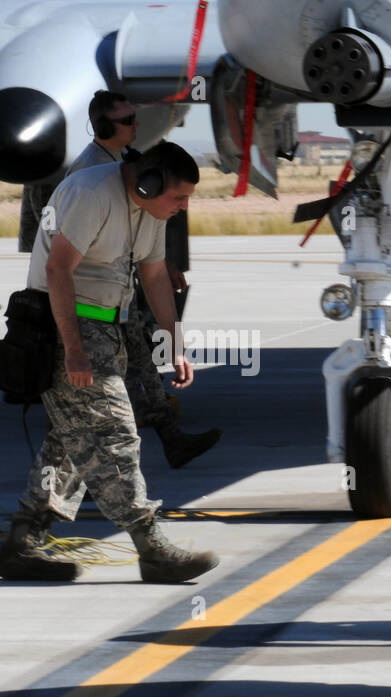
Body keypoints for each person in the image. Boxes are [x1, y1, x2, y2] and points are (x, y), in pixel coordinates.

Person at [0, 142, 219, 584]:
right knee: (116, 433)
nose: (182, 208)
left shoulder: (149, 211)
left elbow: (155, 275)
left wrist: (174, 344)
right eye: (178, 198)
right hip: (66, 327)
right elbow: (59, 271)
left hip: (109, 327)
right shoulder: (92, 193)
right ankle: (150, 544)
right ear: (148, 182)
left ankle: (22, 542)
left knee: (68, 444)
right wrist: (75, 348)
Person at [59, 91, 222, 469]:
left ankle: (170, 439)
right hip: (90, 303)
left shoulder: (133, 165)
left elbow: (138, 227)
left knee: (144, 365)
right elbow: (66, 257)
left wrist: (161, 265)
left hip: (120, 294)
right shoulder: (89, 173)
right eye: (128, 120)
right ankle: (107, 479)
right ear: (103, 126)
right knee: (100, 398)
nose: (136, 126)